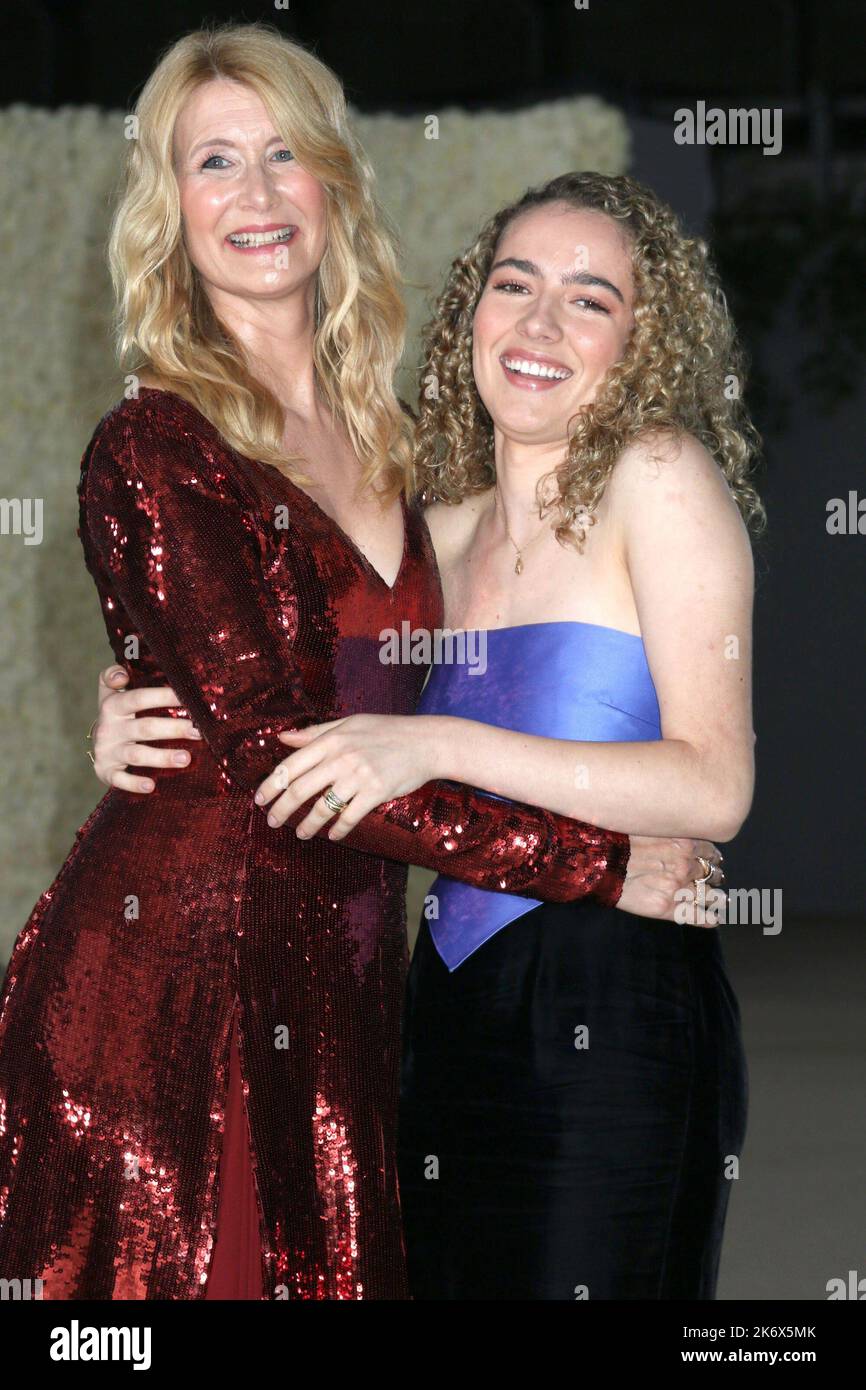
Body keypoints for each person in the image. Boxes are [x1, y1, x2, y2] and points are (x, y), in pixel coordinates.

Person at [0, 29, 704, 1303]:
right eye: (214, 161)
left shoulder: (388, 432)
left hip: (347, 971)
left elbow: (418, 670)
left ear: (332, 181)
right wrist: (597, 864)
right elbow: (276, 753)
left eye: (284, 154)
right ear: (170, 209)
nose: (258, 196)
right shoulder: (155, 444)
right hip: (182, 989)